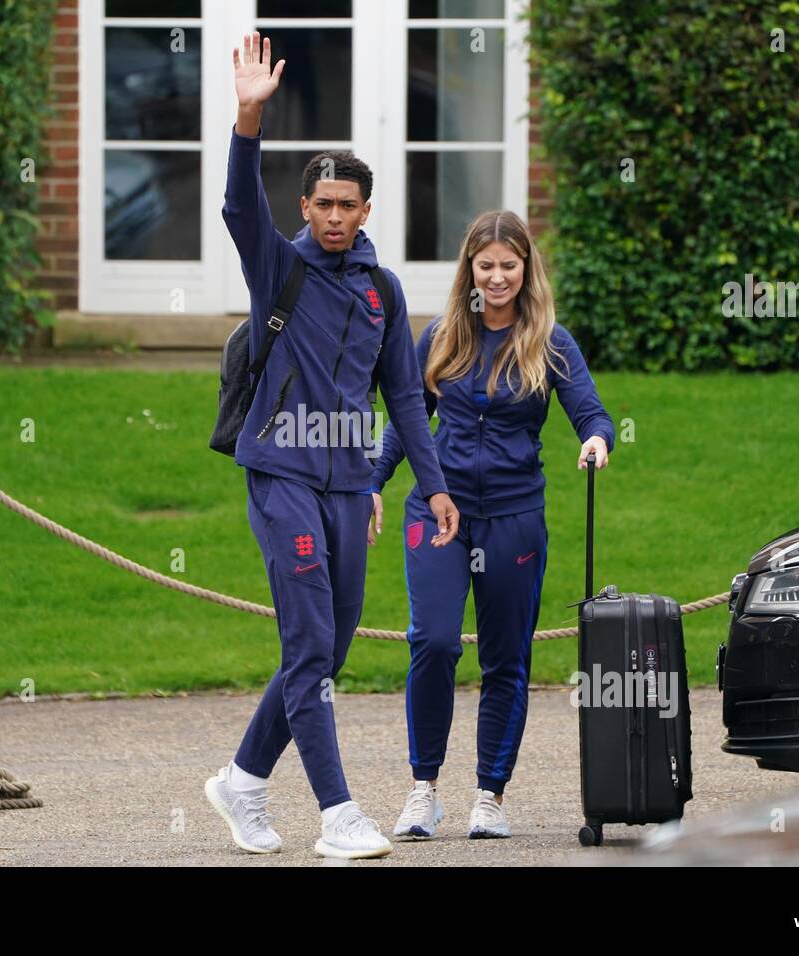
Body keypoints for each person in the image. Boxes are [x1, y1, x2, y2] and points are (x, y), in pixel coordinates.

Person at [204, 32, 460, 860]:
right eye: (323, 204)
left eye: (349, 204)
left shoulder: (386, 291)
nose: (336, 216)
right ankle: (338, 814)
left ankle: (242, 781)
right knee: (309, 646)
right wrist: (249, 117)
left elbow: (405, 400)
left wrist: (436, 484)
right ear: (306, 207)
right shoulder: (277, 266)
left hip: (352, 485)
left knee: (331, 647)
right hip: (280, 473)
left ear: (366, 209)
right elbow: (241, 205)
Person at [367, 210, 615, 840]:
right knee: (435, 640)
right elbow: (406, 420)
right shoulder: (441, 335)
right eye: (487, 266)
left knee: (507, 656)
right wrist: (371, 480)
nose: (499, 277)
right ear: (470, 270)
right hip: (438, 511)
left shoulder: (550, 341)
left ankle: (489, 794)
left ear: (526, 269)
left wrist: (594, 440)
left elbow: (592, 411)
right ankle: (423, 788)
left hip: (513, 517)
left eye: (510, 265)